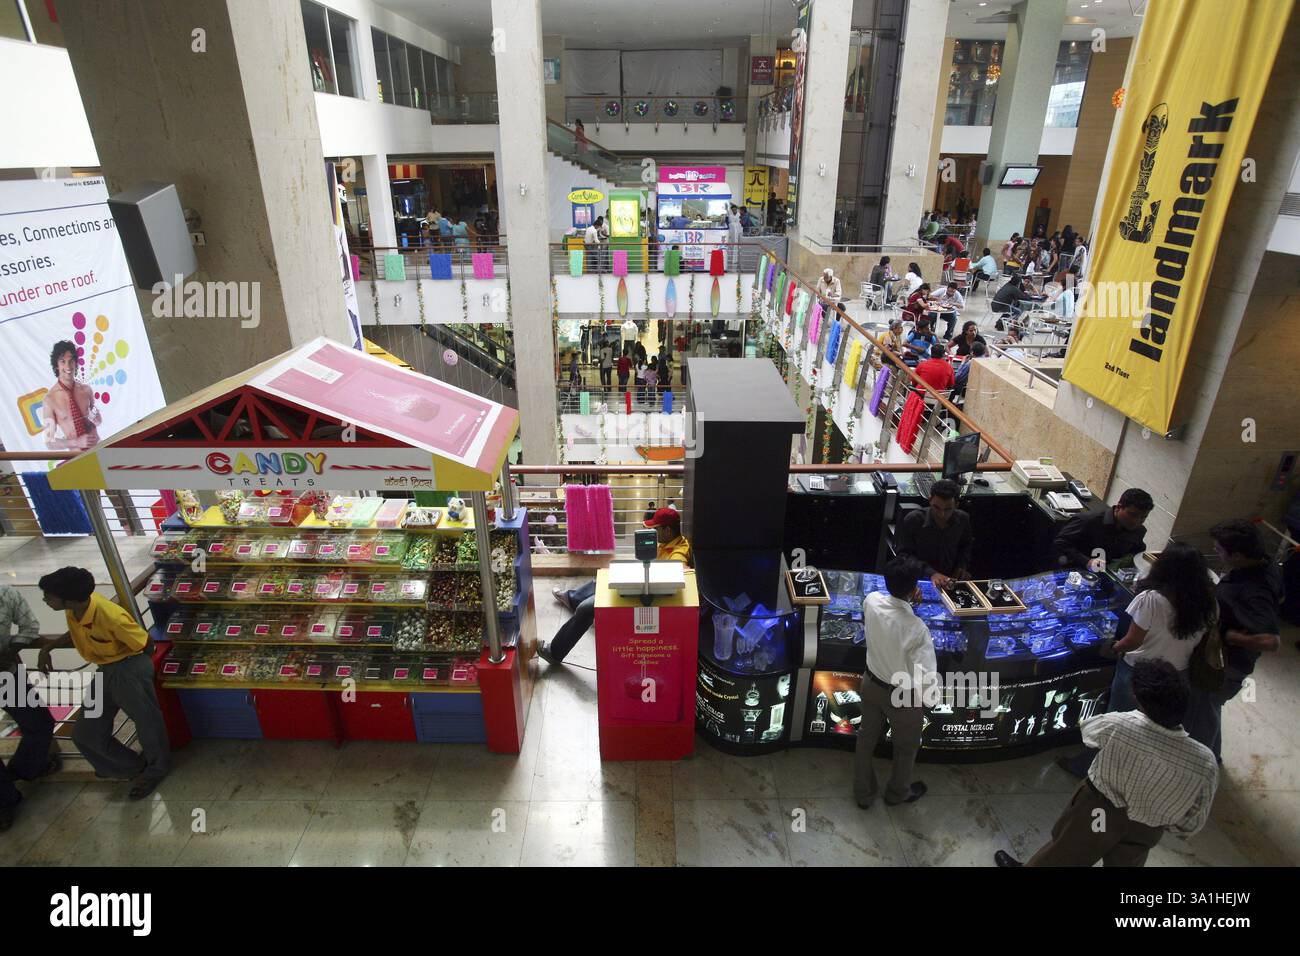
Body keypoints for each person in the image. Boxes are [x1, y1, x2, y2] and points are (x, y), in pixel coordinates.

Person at [996, 659, 1217, 868]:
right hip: (1147, 829)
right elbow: (1192, 821)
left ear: (1142, 703)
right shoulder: (1205, 761)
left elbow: (1089, 731)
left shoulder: (1122, 724)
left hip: (1099, 811)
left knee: (1063, 855)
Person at [1062, 544, 1217, 780]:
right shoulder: (1209, 603)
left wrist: (1113, 648)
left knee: (1117, 720)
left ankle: (1091, 765)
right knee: (1154, 725)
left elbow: (1132, 641)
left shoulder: (1151, 600)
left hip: (1138, 671)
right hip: (1179, 673)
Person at [36, 567, 170, 800]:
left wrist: (135, 672)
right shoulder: (74, 609)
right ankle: (131, 767)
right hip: (105, 671)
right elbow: (76, 631)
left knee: (147, 722)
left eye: (49, 596)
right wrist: (49, 646)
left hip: (128, 669)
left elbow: (144, 643)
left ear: (67, 597)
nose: (45, 600)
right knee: (85, 732)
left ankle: (155, 771)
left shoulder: (109, 615)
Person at [539, 508, 692, 665]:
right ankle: (572, 599)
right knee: (604, 578)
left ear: (667, 530)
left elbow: (682, 574)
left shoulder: (677, 554)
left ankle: (554, 653)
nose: (652, 532)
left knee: (585, 609)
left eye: (656, 529)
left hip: (647, 596)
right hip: (644, 580)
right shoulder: (670, 541)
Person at [1185, 520, 1283, 760]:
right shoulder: (1264, 564)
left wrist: (1229, 636)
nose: (1216, 554)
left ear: (1238, 555)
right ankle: (1212, 755)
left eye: (1219, 550)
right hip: (1226, 661)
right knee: (1209, 709)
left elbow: (1271, 641)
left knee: (1203, 712)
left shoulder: (1255, 592)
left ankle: (1200, 764)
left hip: (1225, 665)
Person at [853, 557, 934, 808]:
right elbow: (926, 674)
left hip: (870, 682)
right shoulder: (917, 628)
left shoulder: (872, 601)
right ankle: (897, 793)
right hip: (902, 695)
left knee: (866, 740)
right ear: (914, 588)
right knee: (906, 747)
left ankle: (864, 794)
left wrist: (906, 598)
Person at [0, 584, 58, 832]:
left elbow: (29, 626)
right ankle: (4, 803)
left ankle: (24, 769)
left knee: (39, 723)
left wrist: (10, 650)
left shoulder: (5, 594)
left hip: (6, 675)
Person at [896, 478, 974, 589]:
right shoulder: (914, 520)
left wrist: (961, 567)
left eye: (947, 509)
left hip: (950, 580)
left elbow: (966, 546)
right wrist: (931, 573)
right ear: (930, 500)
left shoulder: (963, 519)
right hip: (919, 580)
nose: (941, 515)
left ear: (956, 505)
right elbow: (904, 556)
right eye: (936, 507)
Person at [1052, 487, 1153, 571]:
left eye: (1143, 517)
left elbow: (1138, 550)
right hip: (1075, 570)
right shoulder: (1088, 521)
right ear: (1119, 507)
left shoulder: (1138, 531)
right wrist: (1087, 561)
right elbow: (1060, 542)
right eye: (1132, 515)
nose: (1136, 521)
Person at [44, 341, 102, 451]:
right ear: (56, 365)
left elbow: (97, 421)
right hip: (78, 457)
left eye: (71, 361)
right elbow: (49, 442)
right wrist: (76, 442)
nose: (68, 366)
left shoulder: (86, 390)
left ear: (76, 363)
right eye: (63, 361)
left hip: (99, 447)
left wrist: (97, 419)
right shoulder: (49, 400)